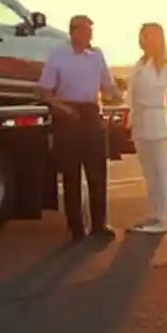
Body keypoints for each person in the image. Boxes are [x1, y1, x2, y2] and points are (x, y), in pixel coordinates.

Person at [37, 14, 123, 241]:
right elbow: (44, 92)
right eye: (84, 31)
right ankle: (76, 227)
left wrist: (118, 95)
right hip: (67, 115)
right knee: (71, 174)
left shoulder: (96, 56)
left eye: (90, 32)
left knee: (97, 172)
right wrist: (63, 109)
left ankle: (99, 225)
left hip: (91, 114)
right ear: (73, 32)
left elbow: (107, 87)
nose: (88, 36)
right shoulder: (58, 55)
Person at [127, 22, 167, 234]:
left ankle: (161, 218)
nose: (142, 39)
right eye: (141, 35)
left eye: (146, 36)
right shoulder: (141, 63)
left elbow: (152, 93)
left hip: (155, 122)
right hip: (140, 124)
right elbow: (133, 92)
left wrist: (136, 103)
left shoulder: (161, 64)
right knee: (149, 173)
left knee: (159, 172)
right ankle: (154, 213)